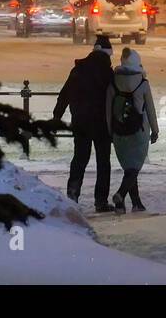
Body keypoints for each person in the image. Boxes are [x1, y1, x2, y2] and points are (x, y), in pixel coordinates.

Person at [53, 33, 115, 212]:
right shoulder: (107, 72)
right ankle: (100, 201)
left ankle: (73, 195)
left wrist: (57, 116)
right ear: (107, 53)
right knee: (103, 162)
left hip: (80, 121)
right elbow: (115, 98)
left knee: (80, 159)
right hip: (102, 124)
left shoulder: (78, 69)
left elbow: (64, 94)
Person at [106, 48, 159, 213]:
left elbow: (108, 110)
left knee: (129, 167)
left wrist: (110, 131)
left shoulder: (113, 82)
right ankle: (121, 194)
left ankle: (133, 204)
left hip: (119, 132)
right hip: (139, 132)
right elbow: (150, 109)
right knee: (134, 168)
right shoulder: (143, 83)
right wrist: (155, 130)